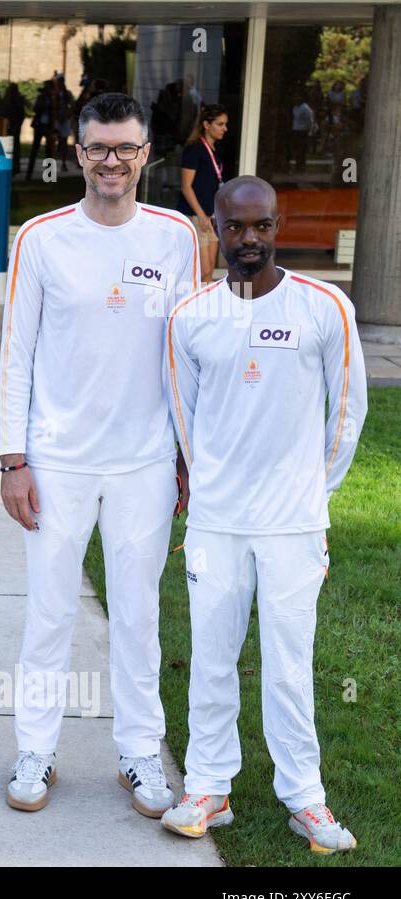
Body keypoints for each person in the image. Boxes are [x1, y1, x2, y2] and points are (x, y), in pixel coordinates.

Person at [0, 93, 199, 817]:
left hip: (145, 461)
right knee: (49, 613)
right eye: (99, 148)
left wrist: (187, 456)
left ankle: (140, 753)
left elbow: (188, 353)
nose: (112, 161)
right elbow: (15, 355)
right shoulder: (41, 238)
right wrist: (12, 462)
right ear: (78, 153)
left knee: (138, 615)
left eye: (126, 148)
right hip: (57, 462)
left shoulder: (176, 236)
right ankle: (35, 750)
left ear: (146, 155)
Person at [161, 176, 366, 854]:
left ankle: (305, 797)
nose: (249, 239)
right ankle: (207, 789)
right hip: (216, 523)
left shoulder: (324, 307)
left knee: (288, 664)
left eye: (262, 225)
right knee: (212, 657)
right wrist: (213, 489)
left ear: (279, 225)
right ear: (216, 228)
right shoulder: (191, 316)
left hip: (293, 525)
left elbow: (347, 415)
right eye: (235, 226)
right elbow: (186, 418)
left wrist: (312, 495)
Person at [177, 104, 229, 280]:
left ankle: (205, 298)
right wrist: (201, 215)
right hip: (195, 216)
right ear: (207, 125)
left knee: (210, 268)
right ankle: (193, 297)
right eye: (220, 124)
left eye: (225, 124)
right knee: (202, 269)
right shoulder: (194, 149)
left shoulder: (216, 150)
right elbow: (186, 186)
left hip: (210, 216)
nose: (225, 129)